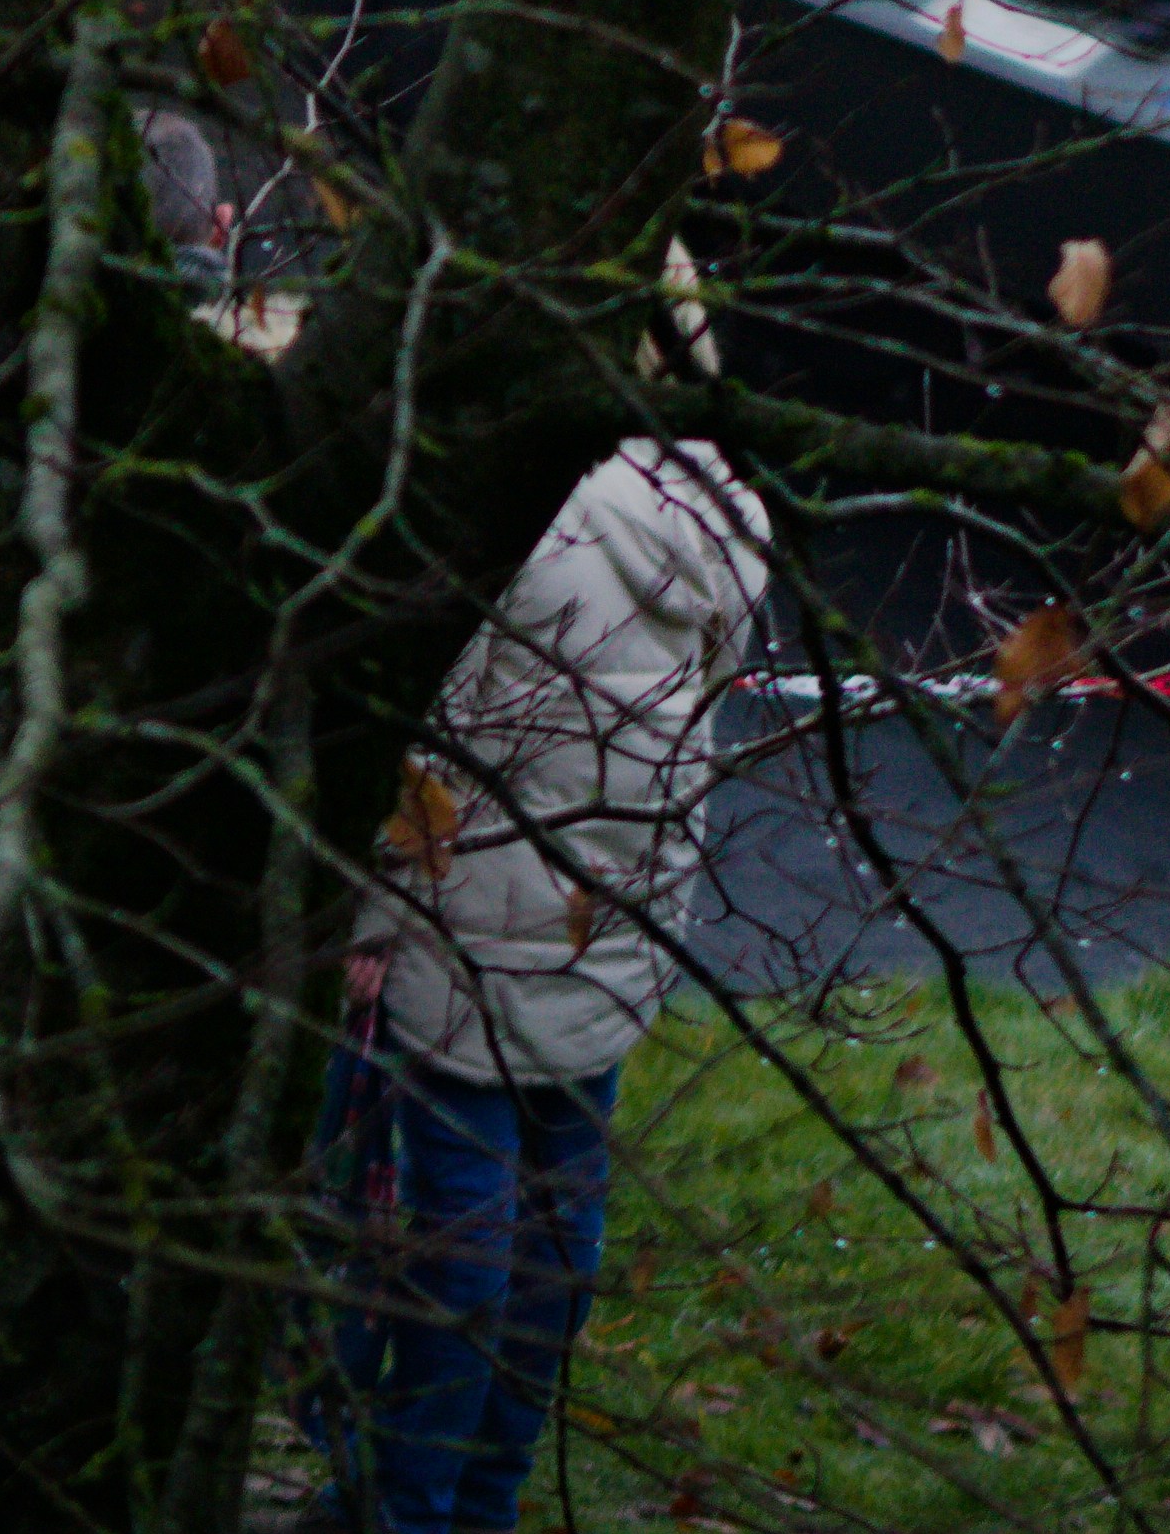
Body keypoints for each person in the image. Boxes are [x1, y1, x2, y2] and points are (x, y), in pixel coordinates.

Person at [307, 405, 772, 1534]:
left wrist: (367, 914)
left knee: (457, 1241)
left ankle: (401, 1506)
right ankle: (485, 1503)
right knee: (559, 1232)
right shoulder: (726, 516)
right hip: (607, 928)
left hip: (466, 936)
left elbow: (416, 733)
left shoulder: (507, 509)